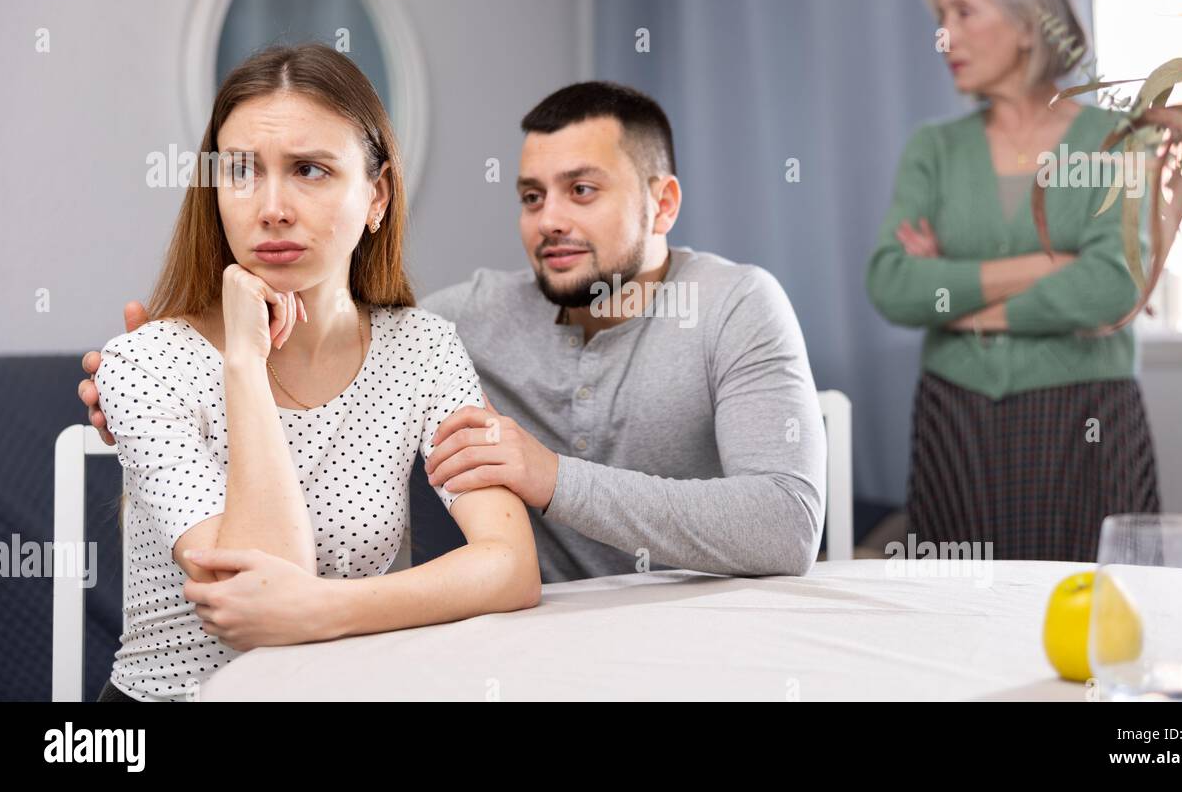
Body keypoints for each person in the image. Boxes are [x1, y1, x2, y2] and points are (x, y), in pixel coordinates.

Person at [82, 80, 827, 584]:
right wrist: (168, 376)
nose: (550, 220)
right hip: (545, 648)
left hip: (707, 625)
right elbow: (349, 337)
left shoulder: (737, 304)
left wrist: (554, 478)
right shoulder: (466, 316)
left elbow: (787, 525)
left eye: (583, 191)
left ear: (662, 205)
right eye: (532, 195)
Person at [87, 44, 539, 701]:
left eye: (309, 169)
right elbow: (258, 601)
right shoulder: (144, 361)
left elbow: (510, 566)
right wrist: (244, 363)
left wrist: (327, 609)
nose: (272, 207)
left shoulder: (422, 348)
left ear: (376, 195)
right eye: (242, 170)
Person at [865, 0, 1159, 562]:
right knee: (957, 628)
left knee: (1096, 628)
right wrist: (1046, 265)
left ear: (1029, 24)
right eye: (940, 18)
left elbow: (1113, 286)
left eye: (964, 13)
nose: (944, 35)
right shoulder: (934, 148)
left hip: (1088, 416)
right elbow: (891, 283)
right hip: (956, 417)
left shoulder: (1116, 135)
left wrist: (958, 300)